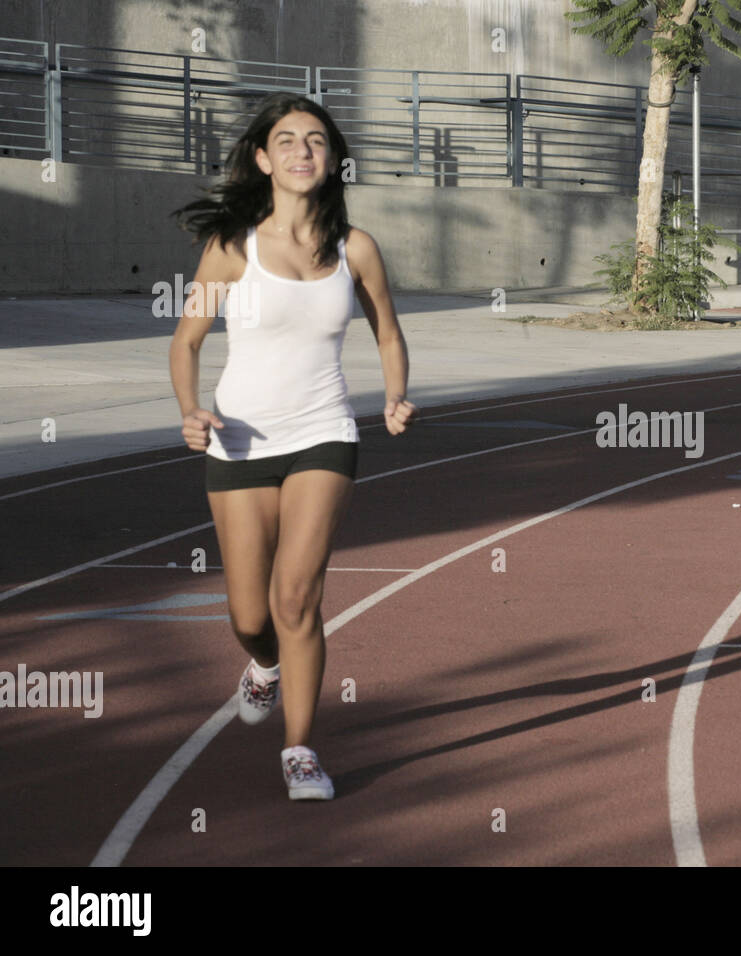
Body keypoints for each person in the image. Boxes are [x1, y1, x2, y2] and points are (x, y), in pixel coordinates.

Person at [169, 93, 416, 799]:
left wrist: (395, 395)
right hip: (240, 441)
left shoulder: (355, 248)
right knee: (251, 617)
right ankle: (264, 667)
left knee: (296, 598)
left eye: (315, 141)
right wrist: (190, 411)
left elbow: (388, 333)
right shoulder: (231, 248)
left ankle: (301, 749)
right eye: (286, 141)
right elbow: (186, 343)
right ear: (262, 159)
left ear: (332, 158)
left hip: (324, 435)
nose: (302, 152)